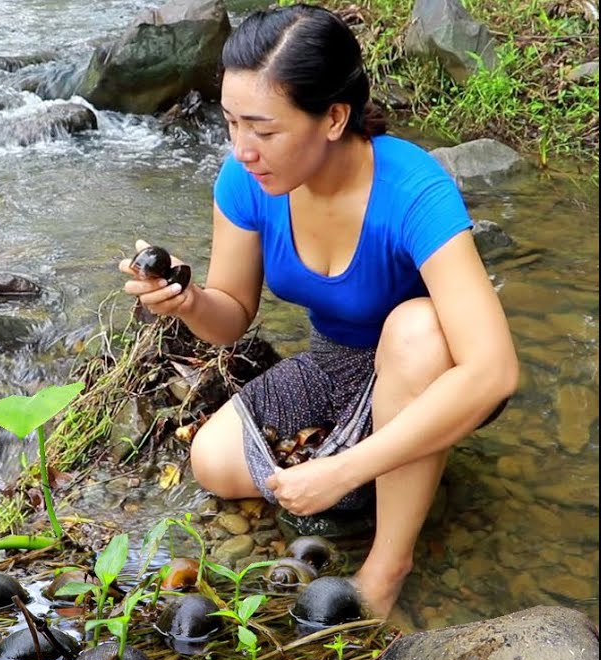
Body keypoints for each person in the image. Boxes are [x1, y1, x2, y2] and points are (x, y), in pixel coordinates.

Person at [120, 4, 518, 618]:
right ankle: (400, 466)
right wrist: (188, 302)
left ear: (333, 117)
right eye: (231, 124)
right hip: (335, 364)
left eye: (263, 129)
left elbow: (493, 371)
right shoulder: (245, 180)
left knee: (416, 329)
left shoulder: (413, 190)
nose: (243, 149)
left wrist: (342, 470)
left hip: (427, 366)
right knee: (213, 462)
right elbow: (232, 317)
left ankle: (386, 565)